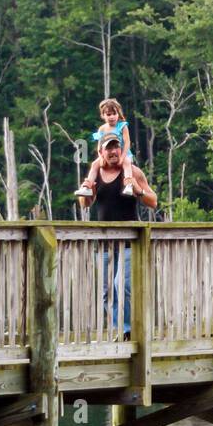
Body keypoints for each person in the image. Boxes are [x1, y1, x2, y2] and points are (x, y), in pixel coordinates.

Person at [75, 134, 158, 338]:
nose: (113, 152)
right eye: (108, 148)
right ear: (101, 152)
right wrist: (86, 191)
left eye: (116, 147)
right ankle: (122, 330)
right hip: (105, 242)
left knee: (122, 284)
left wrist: (137, 190)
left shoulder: (132, 172)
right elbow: (86, 204)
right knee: (106, 292)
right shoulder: (97, 173)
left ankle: (131, 328)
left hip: (130, 241)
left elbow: (153, 201)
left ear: (121, 150)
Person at [75, 98, 134, 198]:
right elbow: (99, 147)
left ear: (118, 114)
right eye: (108, 114)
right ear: (103, 115)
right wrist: (102, 158)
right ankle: (88, 187)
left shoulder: (122, 126)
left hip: (122, 153)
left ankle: (129, 184)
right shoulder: (102, 129)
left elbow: (127, 142)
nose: (112, 117)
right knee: (94, 164)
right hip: (107, 155)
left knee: (127, 163)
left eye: (114, 114)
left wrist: (123, 157)